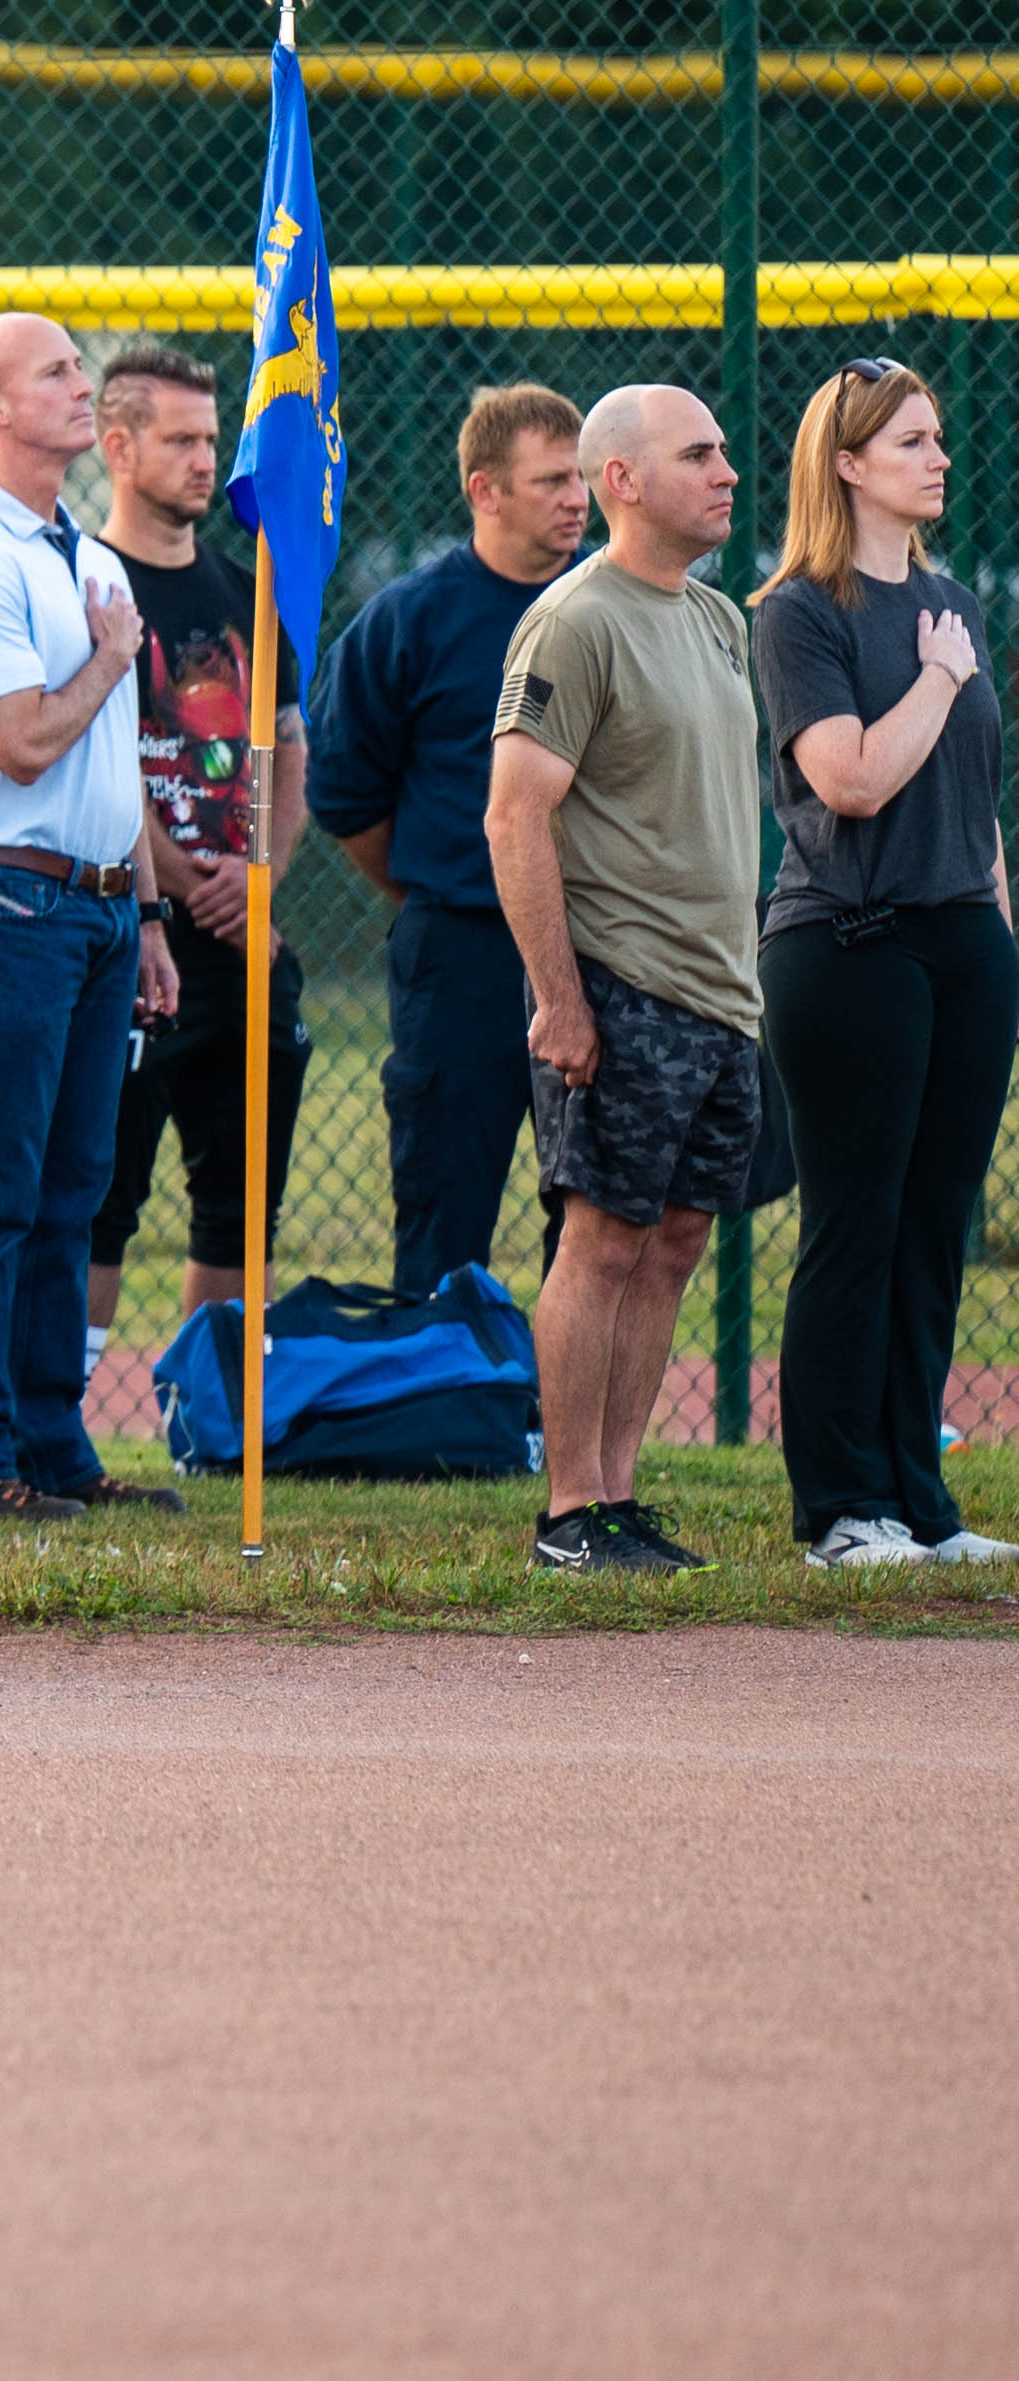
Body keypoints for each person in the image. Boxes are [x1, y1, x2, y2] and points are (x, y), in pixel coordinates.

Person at [0, 310, 180, 1522]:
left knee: (75, 1188)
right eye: (56, 372)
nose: (82, 386)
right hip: (8, 898)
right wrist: (109, 662)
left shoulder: (87, 556)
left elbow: (107, 767)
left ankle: (50, 1448)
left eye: (79, 367)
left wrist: (150, 916)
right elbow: (17, 743)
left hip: (98, 911)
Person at [744, 359, 1012, 1567]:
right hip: (849, 943)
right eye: (909, 440)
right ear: (846, 463)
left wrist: (995, 931)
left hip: (961, 940)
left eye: (936, 438)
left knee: (932, 1224)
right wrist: (941, 674)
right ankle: (838, 1508)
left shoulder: (949, 598)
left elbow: (976, 797)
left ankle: (917, 1502)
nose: (935, 457)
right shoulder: (798, 608)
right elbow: (848, 776)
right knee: (854, 1223)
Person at [489, 384, 760, 1575]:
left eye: (722, 452)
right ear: (621, 481)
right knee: (598, 1239)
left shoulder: (715, 618)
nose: (725, 472)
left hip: (720, 993)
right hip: (623, 983)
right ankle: (566, 1512)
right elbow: (513, 814)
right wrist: (558, 995)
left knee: (675, 1240)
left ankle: (620, 1497)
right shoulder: (574, 620)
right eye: (695, 454)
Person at [309, 382, 590, 1290]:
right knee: (444, 1202)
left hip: (602, 945)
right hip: (460, 945)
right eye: (550, 479)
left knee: (591, 1209)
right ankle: (444, 1423)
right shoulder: (409, 617)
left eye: (582, 477)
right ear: (486, 490)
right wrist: (448, 880)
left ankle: (559, 1426)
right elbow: (344, 792)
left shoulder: (613, 605)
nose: (575, 498)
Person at [84, 343, 309, 1346]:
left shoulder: (245, 586)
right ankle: (70, 1413)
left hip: (240, 939)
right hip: (133, 938)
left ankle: (213, 1419)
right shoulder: (87, 583)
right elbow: (101, 761)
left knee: (239, 1203)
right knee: (102, 1197)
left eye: (211, 438)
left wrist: (255, 875)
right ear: (116, 444)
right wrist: (179, 880)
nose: (202, 459)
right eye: (178, 439)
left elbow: (284, 755)